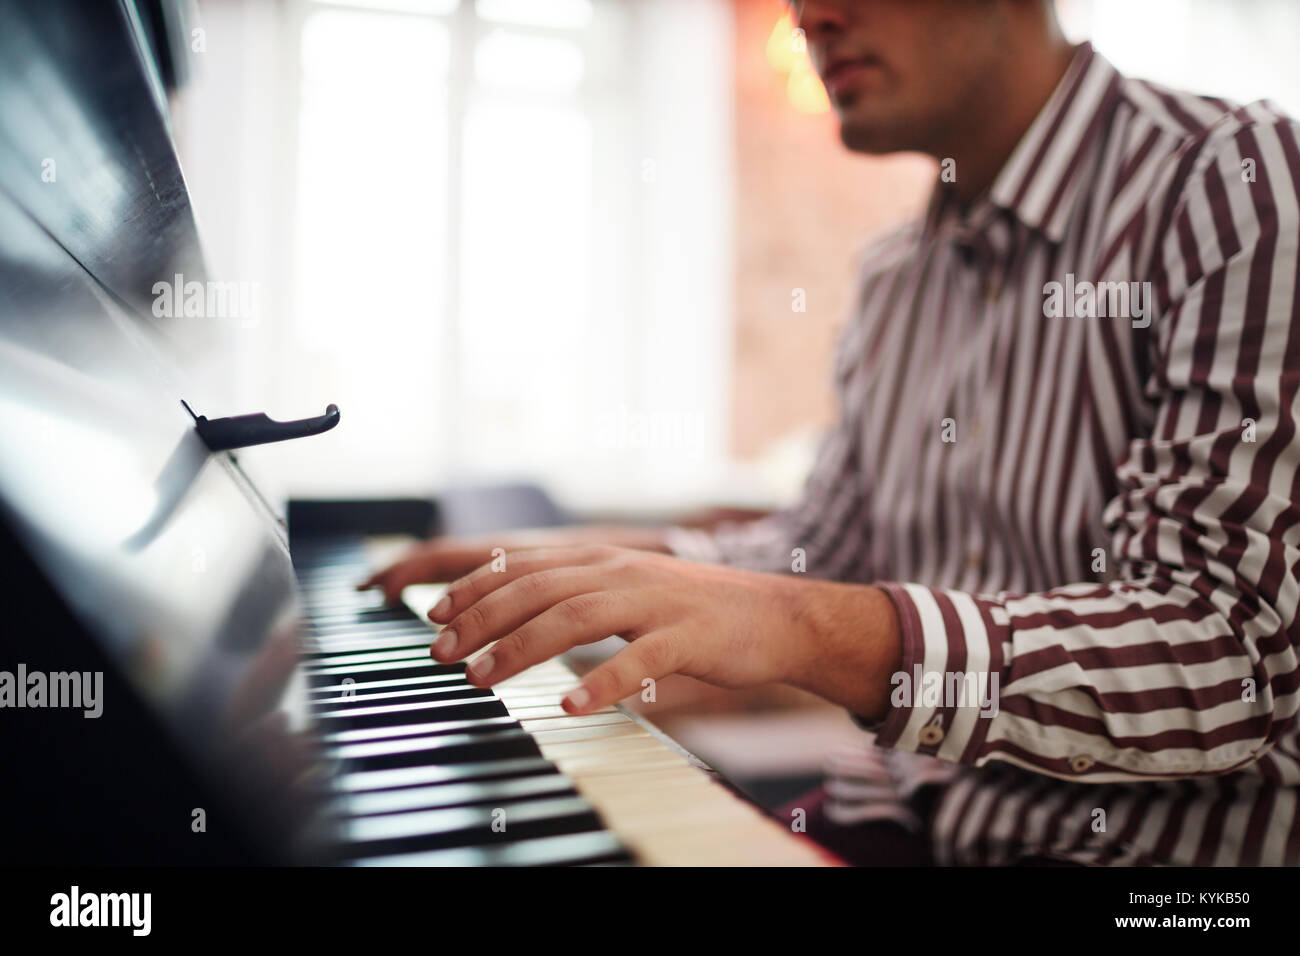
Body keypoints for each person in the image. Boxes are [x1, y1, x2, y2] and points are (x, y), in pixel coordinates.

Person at [362, 0, 1300, 866]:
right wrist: (583, 569)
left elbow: (1236, 656)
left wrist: (794, 622)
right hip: (908, 815)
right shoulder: (897, 277)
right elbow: (821, 553)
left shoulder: (1229, 181)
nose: (808, 14)